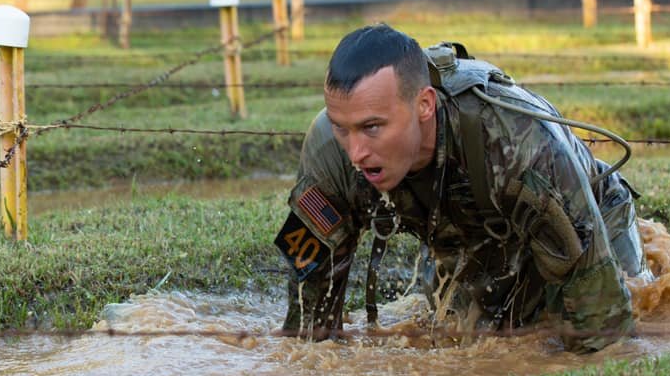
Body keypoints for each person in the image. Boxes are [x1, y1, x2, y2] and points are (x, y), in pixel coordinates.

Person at [274, 23, 649, 353]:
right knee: (464, 340)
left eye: (372, 127)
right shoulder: (328, 150)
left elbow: (604, 334)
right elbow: (308, 326)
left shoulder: (518, 142)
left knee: (630, 311)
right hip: (470, 233)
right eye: (342, 127)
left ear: (424, 105)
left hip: (587, 217)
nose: (355, 151)